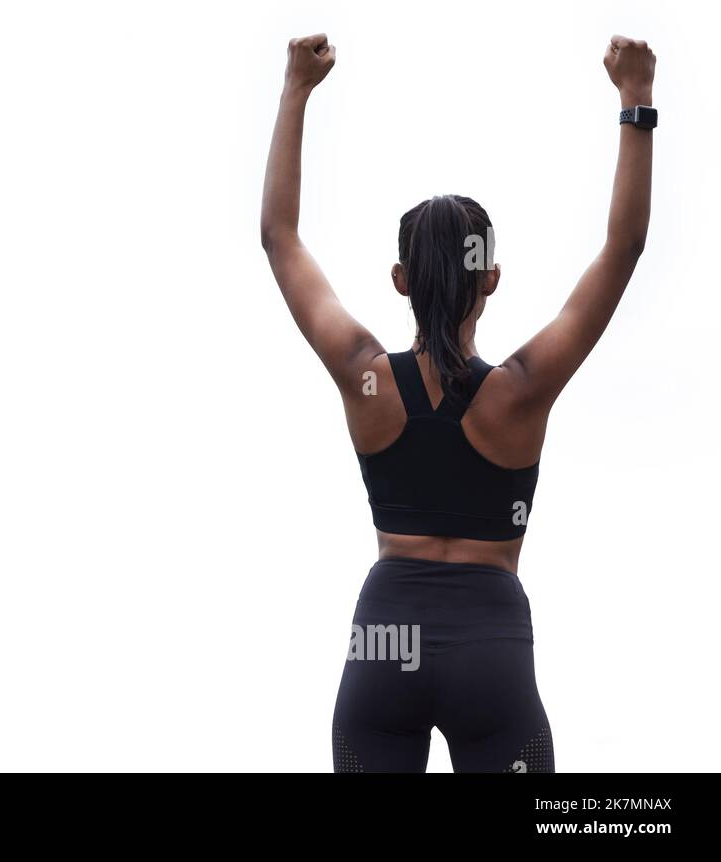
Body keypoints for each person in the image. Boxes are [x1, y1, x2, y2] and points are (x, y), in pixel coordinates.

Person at [260, 33, 656, 772]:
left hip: (384, 643)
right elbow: (623, 248)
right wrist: (636, 100)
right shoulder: (523, 391)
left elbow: (280, 239)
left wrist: (295, 90)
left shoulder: (364, 377)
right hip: (492, 654)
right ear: (492, 279)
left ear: (401, 278)